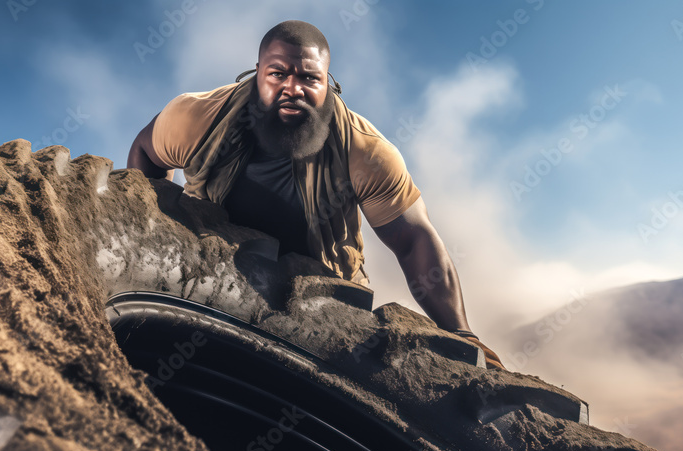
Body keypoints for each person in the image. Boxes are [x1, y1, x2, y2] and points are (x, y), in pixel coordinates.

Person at [126, 20, 504, 369]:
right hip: (212, 262)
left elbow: (412, 240)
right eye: (278, 74)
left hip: (323, 294)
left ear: (328, 83)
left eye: (309, 77)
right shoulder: (198, 117)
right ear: (257, 73)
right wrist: (154, 233)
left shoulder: (365, 152)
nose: (293, 89)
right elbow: (146, 153)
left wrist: (461, 334)